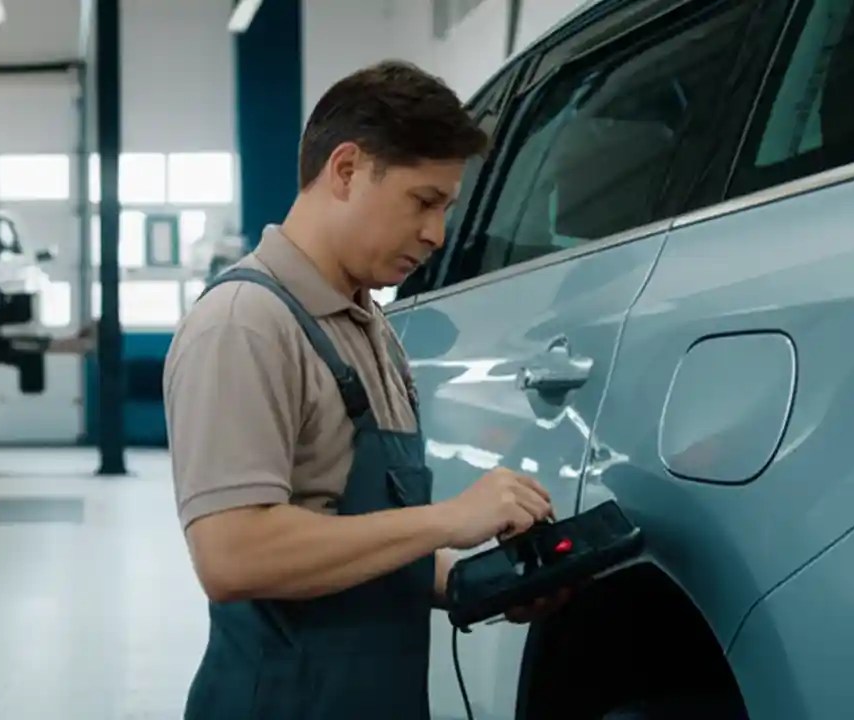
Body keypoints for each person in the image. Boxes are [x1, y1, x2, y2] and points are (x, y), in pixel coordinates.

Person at [163, 60, 564, 719]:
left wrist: (474, 583)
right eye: (423, 201)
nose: (437, 233)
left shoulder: (370, 326)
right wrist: (448, 519)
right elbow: (232, 554)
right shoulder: (245, 325)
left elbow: (354, 538)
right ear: (346, 170)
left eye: (446, 208)